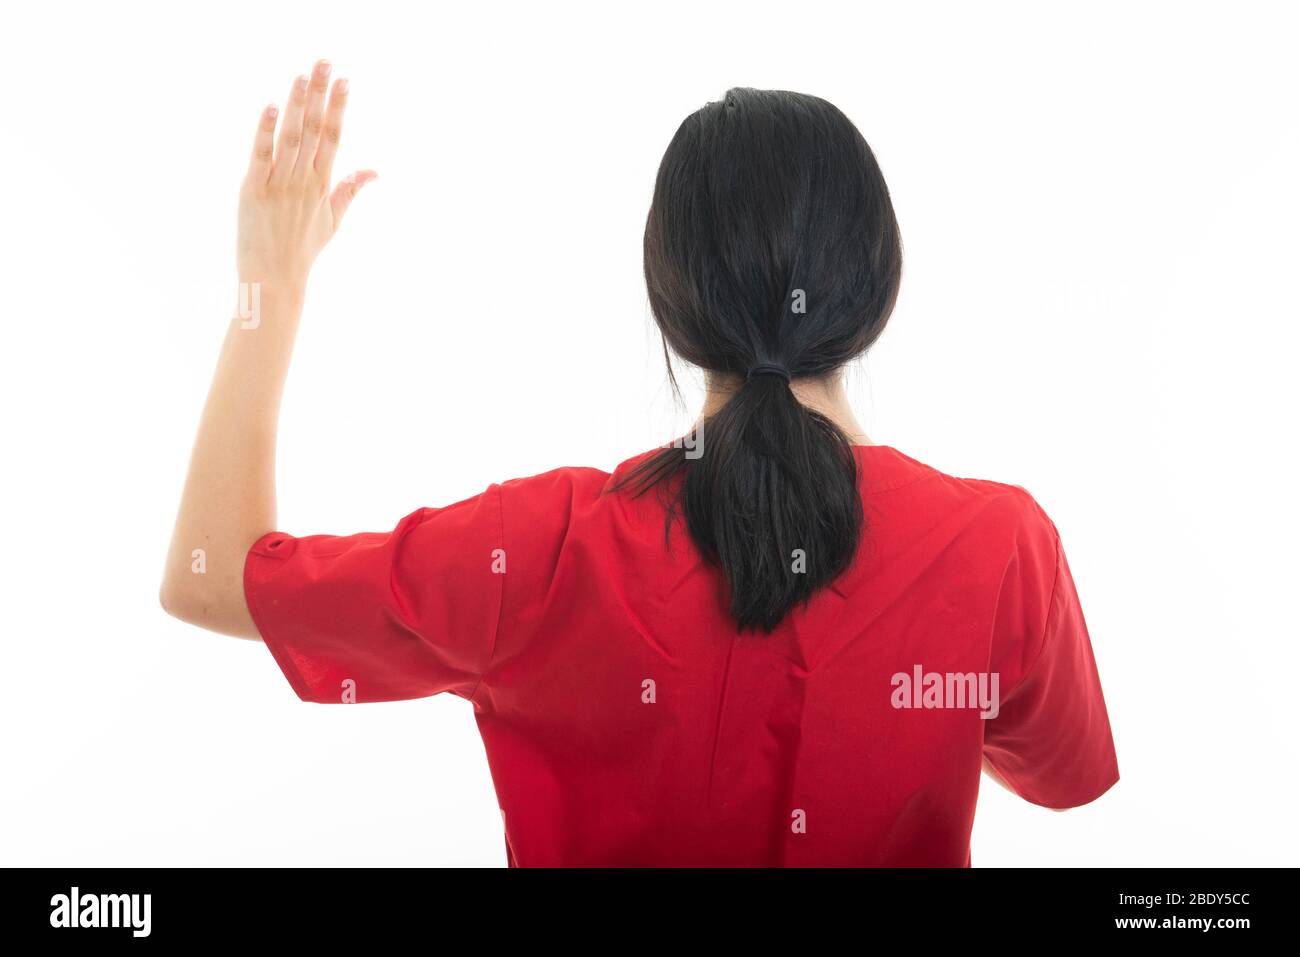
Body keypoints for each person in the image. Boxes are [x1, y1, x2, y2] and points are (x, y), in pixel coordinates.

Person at [162, 61, 1118, 866]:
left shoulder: (535, 551)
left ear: (671, 302)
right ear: (878, 285)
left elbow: (208, 577)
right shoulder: (1000, 548)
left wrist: (270, 286)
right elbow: (1061, 774)